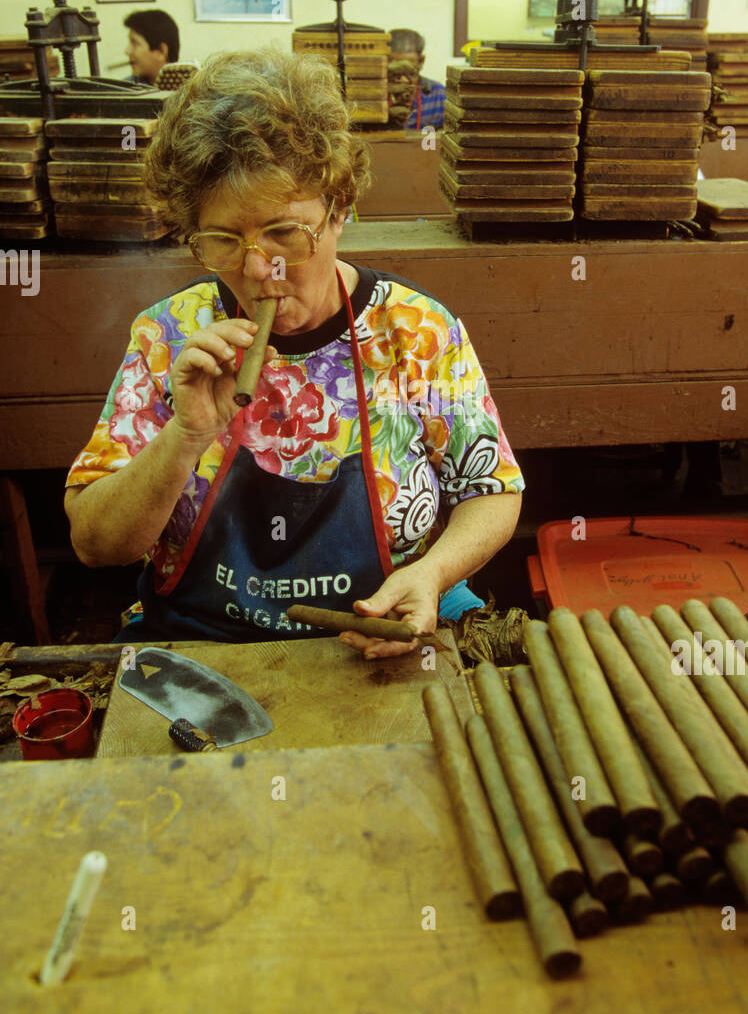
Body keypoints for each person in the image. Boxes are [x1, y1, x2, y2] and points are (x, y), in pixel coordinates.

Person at [64, 49, 523, 659]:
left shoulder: (414, 329)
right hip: (204, 643)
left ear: (340, 211)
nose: (258, 270)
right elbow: (95, 544)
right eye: (225, 240)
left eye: (284, 233)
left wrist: (432, 575)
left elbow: (492, 490)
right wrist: (184, 434)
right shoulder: (167, 335)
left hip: (384, 632)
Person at [390, 28, 446, 130]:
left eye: (410, 73)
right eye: (395, 73)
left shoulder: (439, 95)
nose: (403, 80)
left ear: (421, 62)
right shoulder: (374, 97)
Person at [124, 9, 180, 85]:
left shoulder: (192, 91)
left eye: (135, 43)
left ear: (161, 51)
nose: (127, 51)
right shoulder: (124, 89)